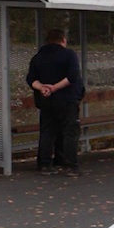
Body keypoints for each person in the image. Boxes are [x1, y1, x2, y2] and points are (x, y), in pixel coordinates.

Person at [25, 29, 84, 177]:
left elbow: (31, 79)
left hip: (46, 101)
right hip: (67, 100)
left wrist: (43, 88)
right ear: (63, 40)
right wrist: (54, 87)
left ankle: (45, 164)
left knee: (47, 132)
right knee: (70, 133)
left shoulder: (38, 57)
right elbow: (72, 77)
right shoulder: (69, 55)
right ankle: (71, 166)